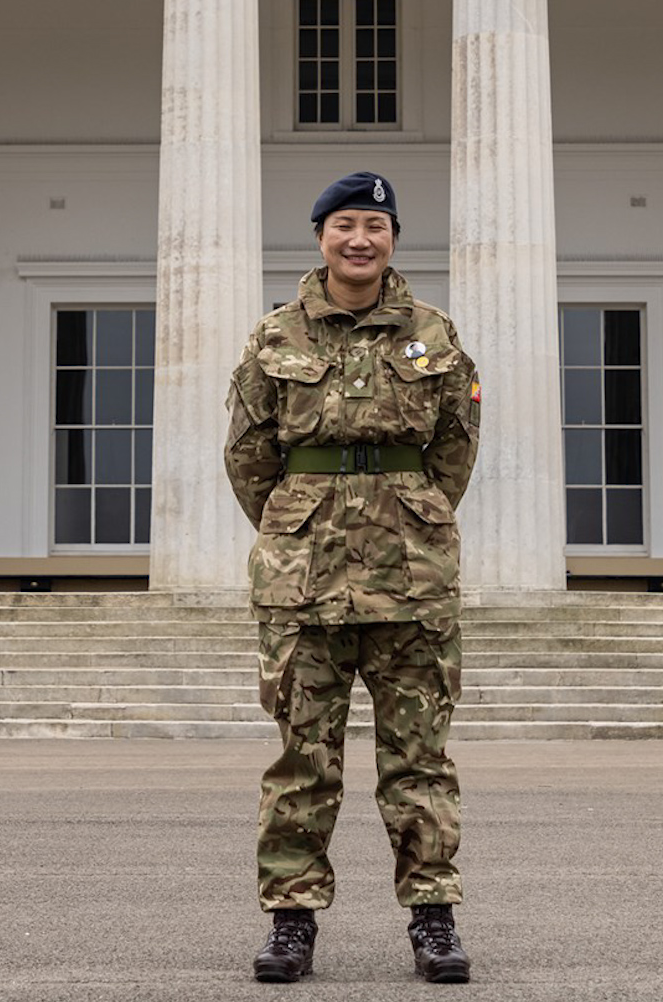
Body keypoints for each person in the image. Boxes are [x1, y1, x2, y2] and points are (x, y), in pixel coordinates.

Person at [223, 172, 481, 984]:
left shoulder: (434, 335)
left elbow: (455, 448)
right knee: (304, 758)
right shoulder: (274, 338)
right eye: (344, 224)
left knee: (420, 760)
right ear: (321, 236)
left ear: (394, 236)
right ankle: (291, 921)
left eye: (374, 223)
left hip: (412, 577)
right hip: (304, 581)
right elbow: (249, 455)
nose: (359, 239)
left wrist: (409, 516)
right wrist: (301, 525)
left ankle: (433, 920)